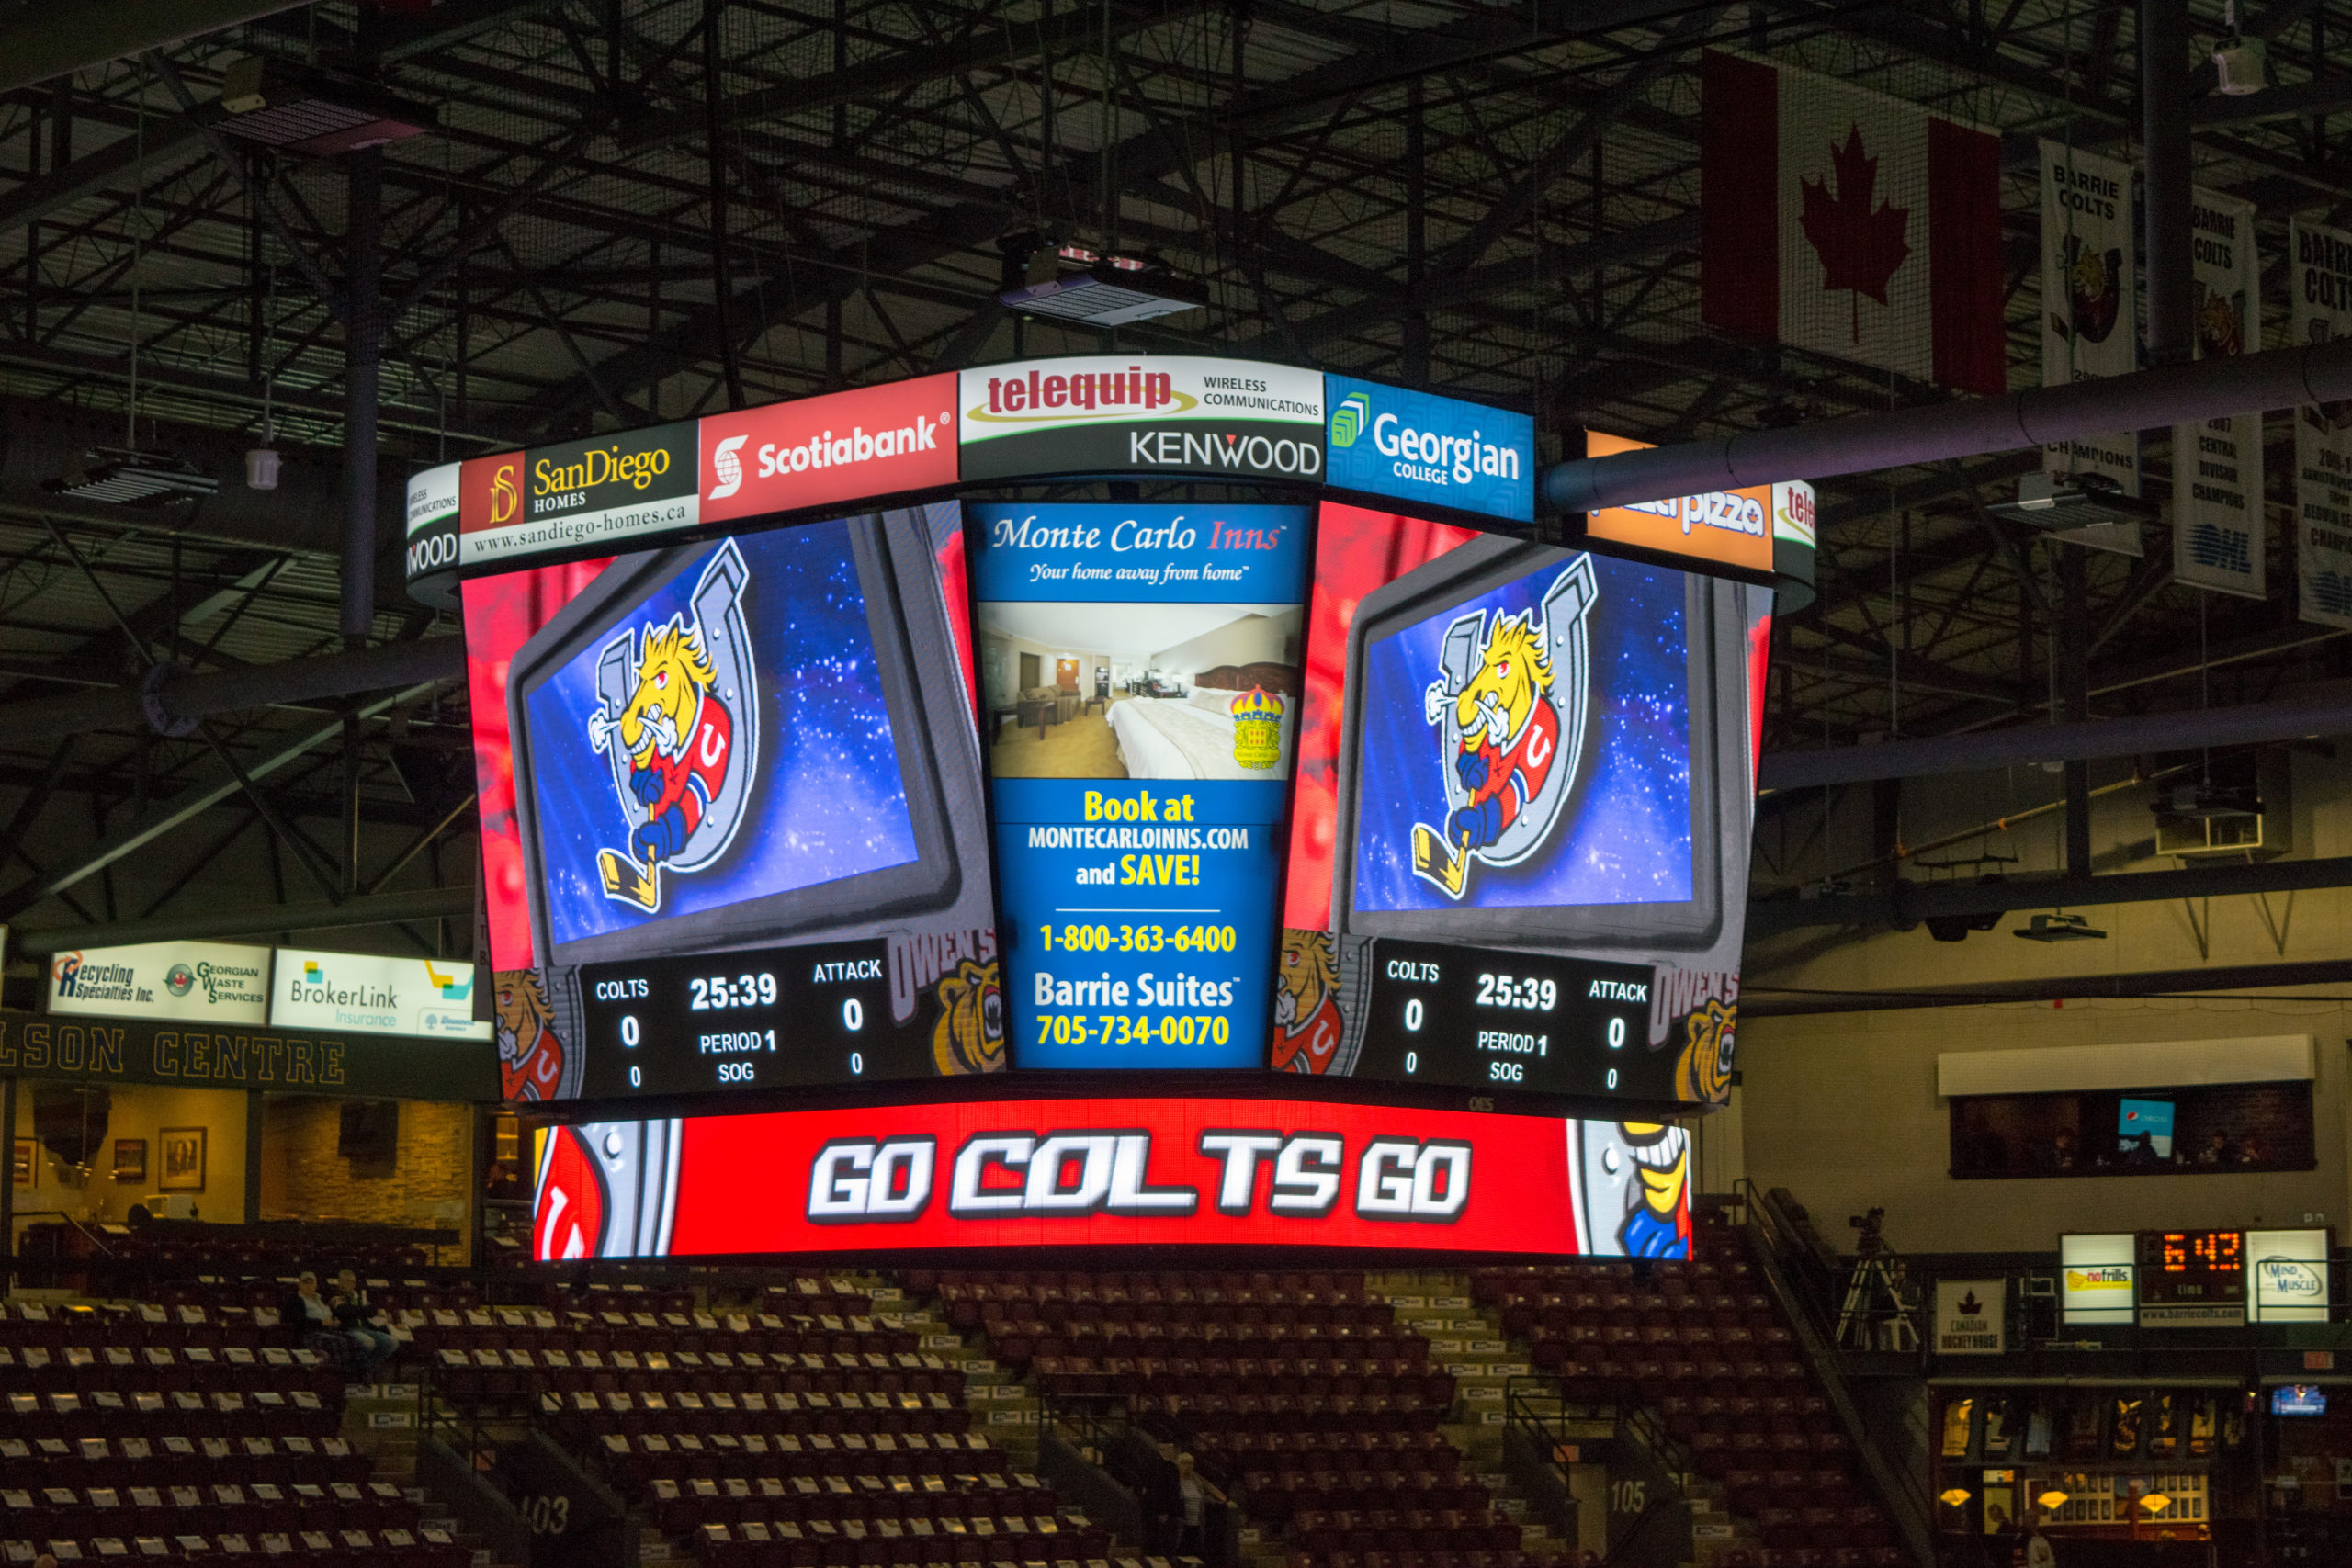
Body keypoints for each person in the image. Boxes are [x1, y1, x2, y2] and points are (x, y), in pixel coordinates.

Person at [332, 1268, 398, 1376]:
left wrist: (358, 1310)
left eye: (350, 1282)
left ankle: (366, 1369)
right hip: (348, 1330)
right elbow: (343, 1311)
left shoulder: (360, 1297)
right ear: (339, 1282)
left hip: (366, 1328)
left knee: (392, 1341)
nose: (346, 1284)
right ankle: (363, 1372)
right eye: (344, 1281)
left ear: (354, 1284)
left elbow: (372, 1311)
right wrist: (362, 1310)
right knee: (369, 1342)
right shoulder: (335, 1296)